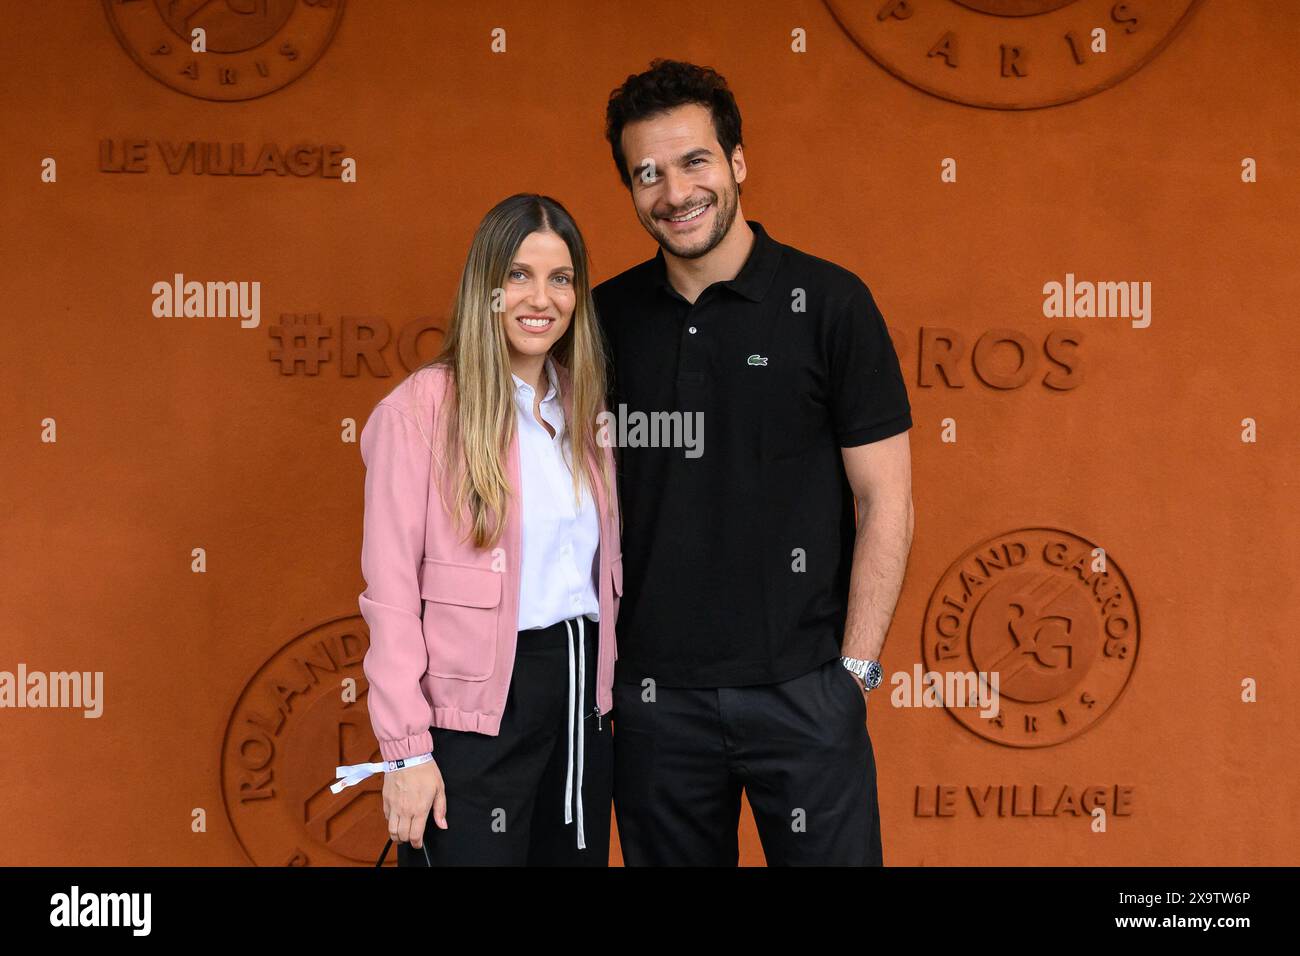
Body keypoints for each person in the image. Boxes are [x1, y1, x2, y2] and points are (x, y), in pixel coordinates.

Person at [593, 59, 915, 866]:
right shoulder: (600, 320)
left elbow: (887, 503)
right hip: (653, 704)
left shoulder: (832, 304)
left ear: (737, 162)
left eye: (694, 161)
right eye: (648, 174)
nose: (674, 191)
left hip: (805, 692)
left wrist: (854, 676)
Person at [335, 193, 623, 865]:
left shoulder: (585, 409)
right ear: (487, 287)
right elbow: (392, 594)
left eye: (560, 278)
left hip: (581, 702)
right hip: (474, 712)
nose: (540, 297)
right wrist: (406, 750)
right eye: (519, 274)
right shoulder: (420, 412)